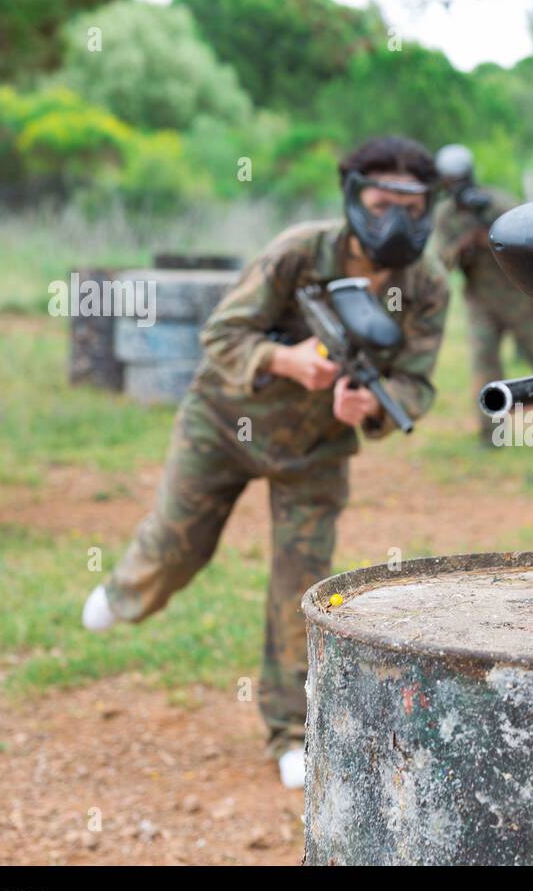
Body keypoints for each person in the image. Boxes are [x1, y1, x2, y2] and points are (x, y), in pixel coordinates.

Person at [82, 136, 449, 786]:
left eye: (413, 207)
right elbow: (221, 334)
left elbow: (415, 386)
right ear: (353, 196)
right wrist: (289, 360)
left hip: (315, 450)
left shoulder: (426, 286)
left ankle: (290, 732)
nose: (397, 220)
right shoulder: (298, 254)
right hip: (224, 422)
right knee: (178, 548)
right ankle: (125, 591)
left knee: (300, 587)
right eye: (381, 202)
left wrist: (362, 408)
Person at [432, 144, 533, 443]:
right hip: (480, 302)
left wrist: (493, 237)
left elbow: (530, 238)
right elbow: (442, 260)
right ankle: (490, 433)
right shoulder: (446, 215)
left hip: (519, 300)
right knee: (485, 366)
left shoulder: (498, 203)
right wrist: (466, 244)